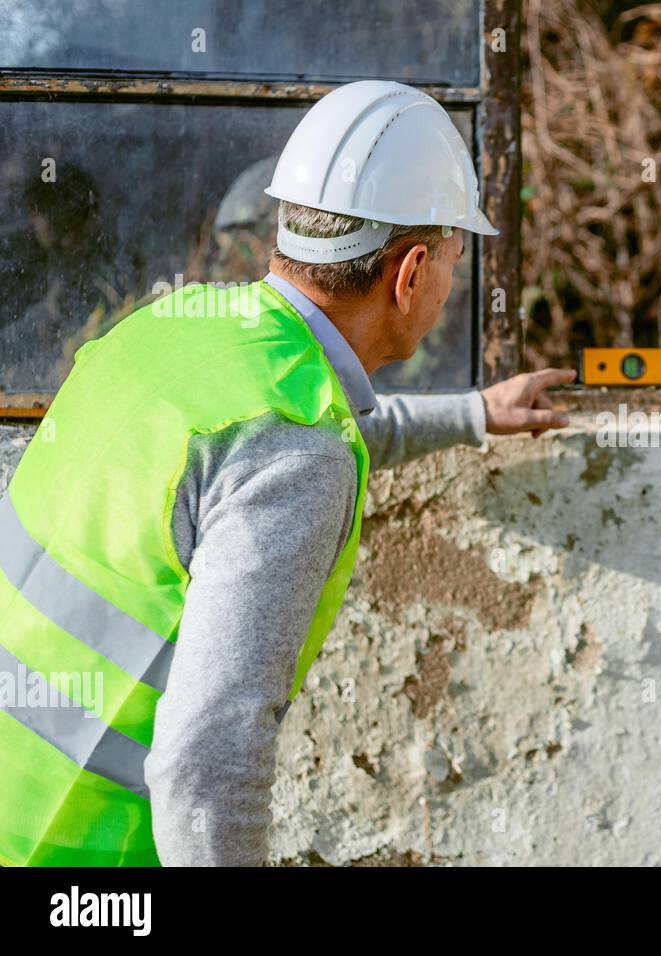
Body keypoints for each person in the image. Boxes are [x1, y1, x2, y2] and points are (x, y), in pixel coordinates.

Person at [0, 80, 575, 866]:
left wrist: (474, 414)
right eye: (450, 260)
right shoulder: (298, 452)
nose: (450, 286)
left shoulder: (177, 328)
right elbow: (205, 768)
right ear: (408, 275)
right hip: (77, 862)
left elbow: (292, 435)